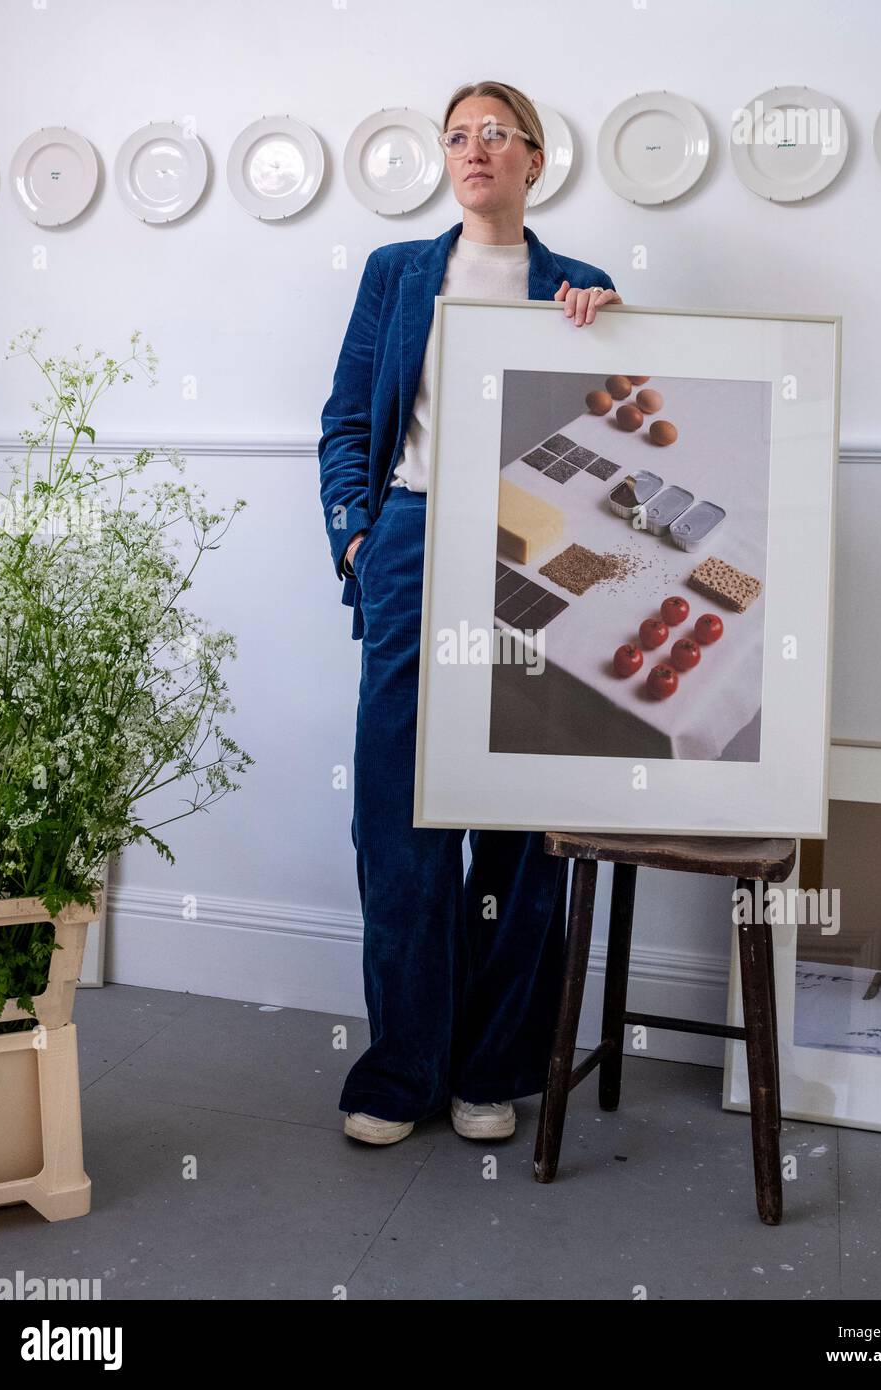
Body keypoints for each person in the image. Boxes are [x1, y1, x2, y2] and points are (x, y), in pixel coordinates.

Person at [319, 79, 622, 1146]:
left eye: (496, 133)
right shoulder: (396, 275)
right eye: (456, 135)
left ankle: (489, 1067)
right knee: (396, 809)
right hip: (408, 539)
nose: (474, 148)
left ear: (536, 159)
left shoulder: (581, 286)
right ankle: (403, 1068)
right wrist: (357, 535)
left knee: (521, 809)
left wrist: (607, 344)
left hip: (537, 548)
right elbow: (345, 418)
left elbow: (613, 444)